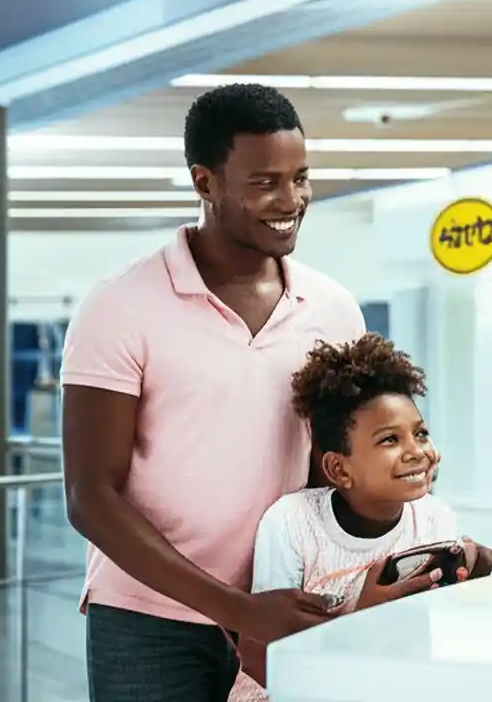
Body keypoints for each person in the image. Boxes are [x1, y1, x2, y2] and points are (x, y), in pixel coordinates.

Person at [61, 83, 366, 701]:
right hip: (146, 622)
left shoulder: (334, 309)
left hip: (287, 603)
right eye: (264, 183)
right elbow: (89, 496)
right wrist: (235, 607)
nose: (292, 200)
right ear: (204, 182)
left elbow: (333, 472)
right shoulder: (119, 305)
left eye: (300, 177)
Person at [228, 333, 492, 700]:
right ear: (339, 469)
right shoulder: (292, 523)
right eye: (390, 440)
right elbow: (260, 659)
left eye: (421, 433)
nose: (416, 451)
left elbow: (429, 644)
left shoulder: (434, 519)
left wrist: (468, 595)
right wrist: (359, 618)